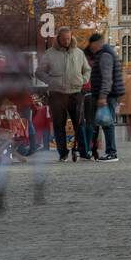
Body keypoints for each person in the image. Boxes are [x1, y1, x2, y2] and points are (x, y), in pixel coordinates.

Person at [35, 27, 91, 161]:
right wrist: (51, 81)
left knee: (79, 124)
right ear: (58, 38)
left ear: (71, 36)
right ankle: (63, 153)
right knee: (59, 125)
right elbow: (39, 72)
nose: (67, 41)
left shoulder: (78, 53)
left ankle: (83, 152)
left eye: (68, 38)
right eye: (64, 38)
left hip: (75, 93)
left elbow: (87, 70)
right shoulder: (50, 54)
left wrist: (83, 80)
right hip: (57, 94)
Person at [87, 33, 123, 162]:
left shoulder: (105, 56)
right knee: (105, 122)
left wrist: (102, 96)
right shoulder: (106, 54)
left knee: (107, 123)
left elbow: (107, 79)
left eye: (92, 46)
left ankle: (111, 153)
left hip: (107, 95)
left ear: (96, 44)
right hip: (108, 94)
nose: (92, 49)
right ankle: (104, 151)